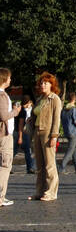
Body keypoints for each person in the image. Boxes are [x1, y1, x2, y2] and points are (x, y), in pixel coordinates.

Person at [28, 73, 62, 202]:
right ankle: (39, 191)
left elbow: (56, 119)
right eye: (41, 83)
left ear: (51, 85)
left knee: (49, 164)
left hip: (48, 133)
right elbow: (36, 114)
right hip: (37, 131)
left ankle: (51, 192)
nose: (42, 85)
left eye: (45, 83)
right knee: (40, 165)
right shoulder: (39, 99)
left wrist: (54, 136)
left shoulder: (55, 99)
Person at [0, 68, 20, 208]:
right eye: (9, 78)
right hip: (3, 135)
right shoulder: (1, 96)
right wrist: (15, 111)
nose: (11, 80)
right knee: (5, 165)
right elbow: (3, 116)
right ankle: (0, 197)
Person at [15, 93, 35, 176]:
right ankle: (29, 167)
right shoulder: (23, 111)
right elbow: (21, 124)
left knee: (15, 150)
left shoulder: (18, 109)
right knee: (26, 150)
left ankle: (29, 167)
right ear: (28, 102)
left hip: (15, 131)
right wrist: (20, 136)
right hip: (21, 132)